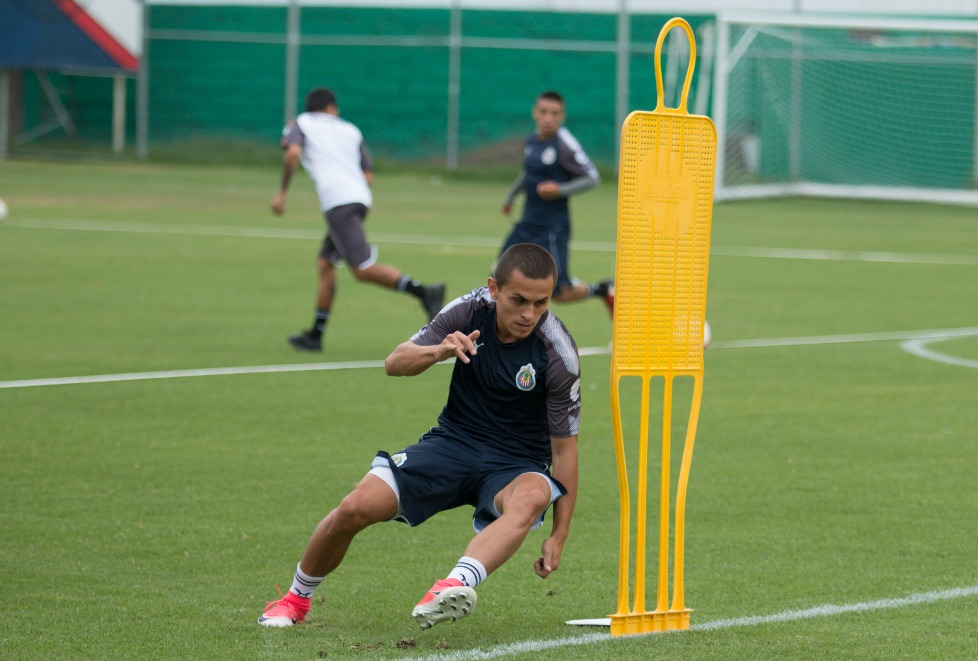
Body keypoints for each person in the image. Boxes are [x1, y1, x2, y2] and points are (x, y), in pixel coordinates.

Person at [258, 243, 581, 630]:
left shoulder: (558, 351)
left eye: (541, 302)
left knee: (533, 495)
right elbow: (395, 363)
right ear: (493, 288)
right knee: (354, 507)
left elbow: (564, 452)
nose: (530, 314)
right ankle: (295, 599)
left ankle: (454, 586)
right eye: (519, 300)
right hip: (453, 443)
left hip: (516, 464)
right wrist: (439, 351)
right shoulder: (468, 309)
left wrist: (559, 534)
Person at [272, 87, 445, 352]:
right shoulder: (351, 130)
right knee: (325, 264)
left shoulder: (300, 123)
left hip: (338, 204)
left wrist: (282, 192)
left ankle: (425, 292)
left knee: (362, 269)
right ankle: (316, 335)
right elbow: (368, 177)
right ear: (332, 108)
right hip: (359, 199)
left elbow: (293, 153)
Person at [500, 90, 614, 314]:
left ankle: (602, 289)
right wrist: (511, 196)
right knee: (501, 274)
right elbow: (528, 172)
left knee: (559, 293)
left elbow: (593, 178)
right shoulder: (532, 141)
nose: (548, 118)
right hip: (527, 223)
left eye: (555, 113)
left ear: (562, 117)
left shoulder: (564, 145)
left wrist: (560, 189)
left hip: (552, 227)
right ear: (535, 113)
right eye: (544, 112)